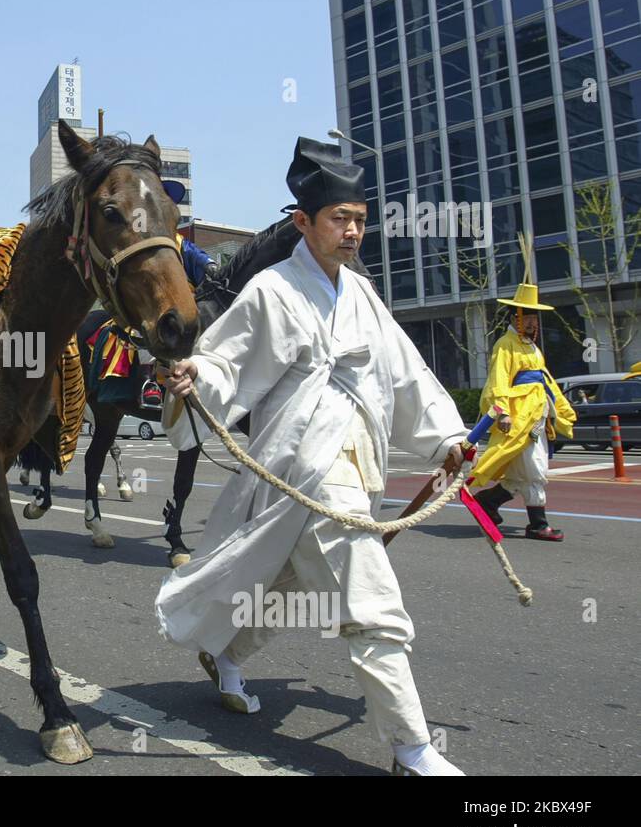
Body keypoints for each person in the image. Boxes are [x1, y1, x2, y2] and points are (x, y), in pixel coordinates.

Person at [158, 137, 469, 776]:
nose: (353, 231)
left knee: (291, 591)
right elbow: (225, 359)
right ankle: (413, 747)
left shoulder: (361, 294)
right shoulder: (271, 290)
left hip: (357, 470)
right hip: (306, 471)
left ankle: (229, 655)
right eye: (339, 219)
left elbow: (405, 373)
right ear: (302, 221)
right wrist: (197, 374)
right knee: (374, 608)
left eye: (359, 218)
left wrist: (444, 438)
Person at [469, 254, 577, 541]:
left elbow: (546, 381)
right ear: (515, 317)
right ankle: (538, 524)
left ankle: (488, 502)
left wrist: (562, 409)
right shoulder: (505, 345)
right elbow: (497, 382)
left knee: (520, 475)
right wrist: (501, 412)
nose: (533, 322)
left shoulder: (533, 348)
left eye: (535, 317)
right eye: (527, 316)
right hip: (518, 420)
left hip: (537, 417)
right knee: (536, 470)